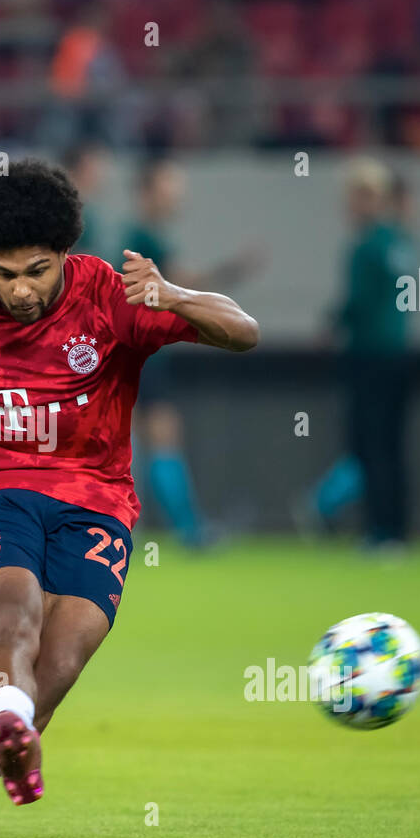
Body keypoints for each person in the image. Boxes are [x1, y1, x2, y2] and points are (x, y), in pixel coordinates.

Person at [0, 159, 258, 838]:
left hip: (97, 506)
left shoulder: (112, 297)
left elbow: (243, 331)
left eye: (37, 271)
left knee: (59, 665)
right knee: (10, 618)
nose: (19, 289)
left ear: (66, 256)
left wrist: (173, 294)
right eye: (3, 272)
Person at [124, 155, 266, 547]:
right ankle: (189, 531)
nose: (177, 195)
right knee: (161, 439)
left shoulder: (147, 235)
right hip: (146, 353)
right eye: (170, 186)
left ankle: (144, 527)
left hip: (142, 353)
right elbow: (178, 286)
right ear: (147, 191)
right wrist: (229, 272)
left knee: (141, 441)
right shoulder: (143, 238)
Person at [328, 158, 419, 550]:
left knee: (369, 446)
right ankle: (395, 531)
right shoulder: (403, 244)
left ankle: (379, 532)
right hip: (401, 355)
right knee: (393, 447)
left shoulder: (365, 247)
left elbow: (357, 304)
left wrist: (333, 322)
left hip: (369, 357)